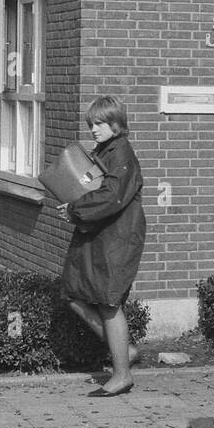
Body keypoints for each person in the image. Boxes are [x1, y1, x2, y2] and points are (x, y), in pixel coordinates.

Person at [58, 95, 146, 398]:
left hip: (117, 238)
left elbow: (110, 197)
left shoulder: (121, 154)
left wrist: (74, 210)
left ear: (116, 124)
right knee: (74, 294)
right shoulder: (105, 150)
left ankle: (122, 375)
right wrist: (75, 202)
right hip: (98, 235)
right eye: (91, 124)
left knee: (109, 302)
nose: (93, 130)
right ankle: (125, 350)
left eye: (99, 124)